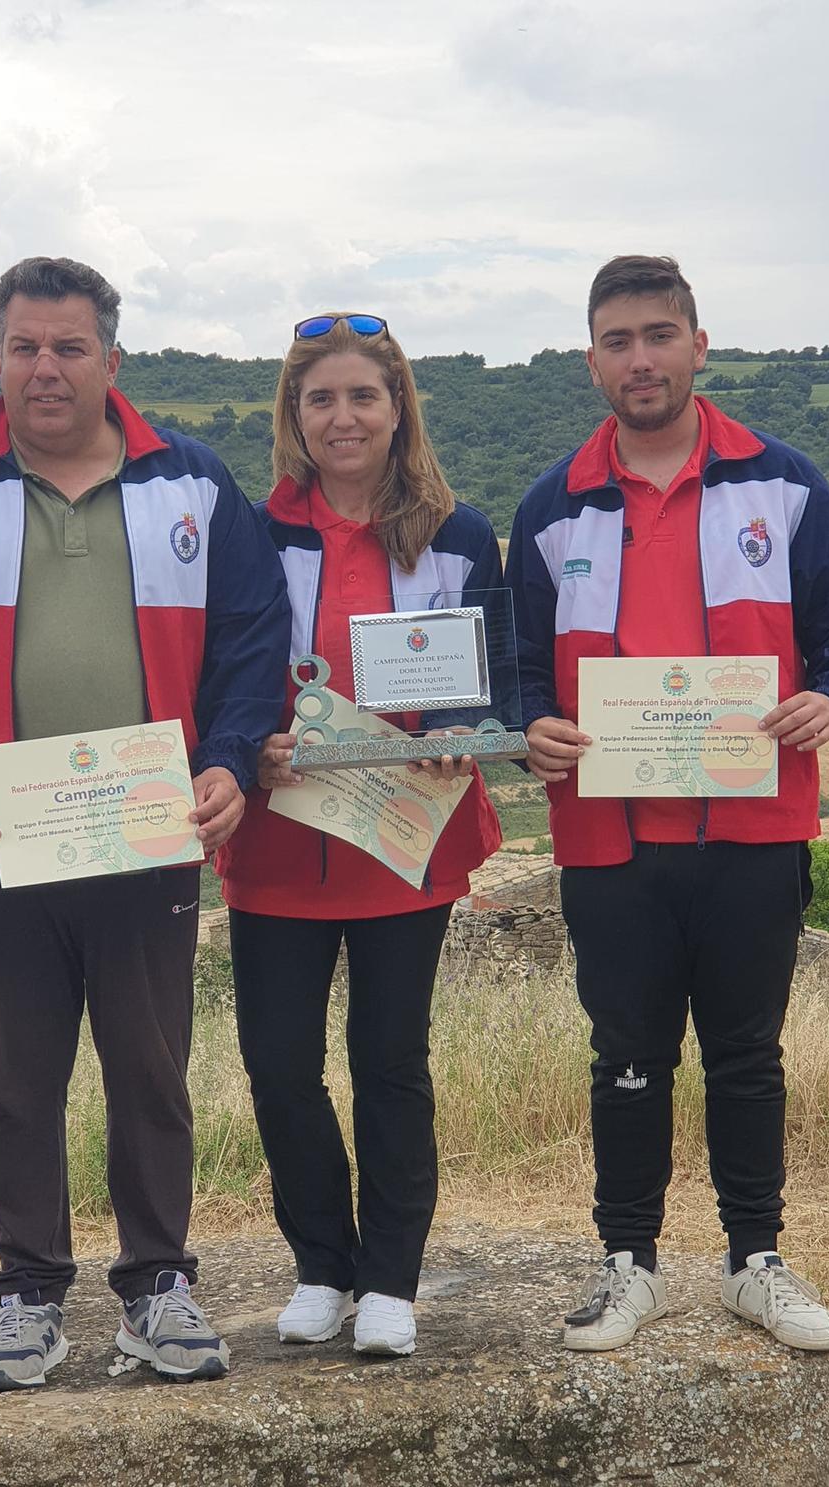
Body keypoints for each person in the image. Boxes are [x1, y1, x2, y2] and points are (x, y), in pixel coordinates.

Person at [0, 257, 290, 1389]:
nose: (45, 369)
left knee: (151, 1069)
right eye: (24, 347)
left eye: (68, 347)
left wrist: (231, 759)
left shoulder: (189, 480)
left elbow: (249, 639)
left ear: (111, 360)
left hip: (147, 833)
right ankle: (28, 1293)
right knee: (15, 1084)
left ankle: (157, 1285)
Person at [505, 256, 829, 1354]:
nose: (641, 358)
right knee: (626, 1052)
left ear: (698, 345)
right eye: (619, 340)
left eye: (660, 335)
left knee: (747, 1053)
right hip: (607, 832)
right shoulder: (553, 503)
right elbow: (521, 666)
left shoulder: (784, 483)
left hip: (755, 825)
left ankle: (752, 1260)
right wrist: (531, 723)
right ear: (592, 360)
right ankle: (629, 1264)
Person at [217, 313, 503, 1357]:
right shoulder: (252, 532)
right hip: (283, 837)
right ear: (295, 415)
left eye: (363, 397)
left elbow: (490, 678)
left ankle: (389, 1277)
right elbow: (227, 672)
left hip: (403, 834)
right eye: (321, 398)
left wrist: (457, 738)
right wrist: (252, 744)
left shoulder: (458, 533)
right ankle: (320, 1264)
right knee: (279, 1063)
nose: (343, 416)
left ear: (397, 409)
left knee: (390, 1059)